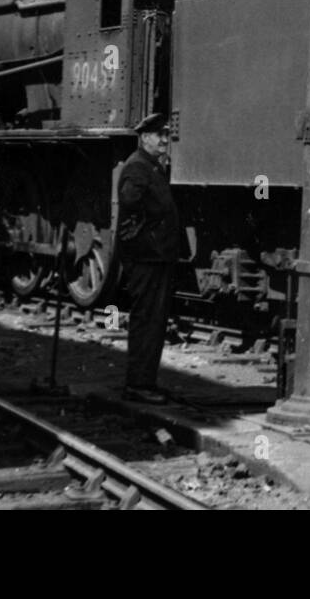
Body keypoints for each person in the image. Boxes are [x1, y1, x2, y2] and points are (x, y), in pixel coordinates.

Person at [116, 113, 186, 404]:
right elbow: (130, 212)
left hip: (155, 257)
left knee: (154, 322)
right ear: (144, 137)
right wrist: (146, 245)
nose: (164, 141)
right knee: (147, 320)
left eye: (166, 136)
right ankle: (138, 385)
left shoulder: (150, 167)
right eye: (159, 136)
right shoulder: (138, 169)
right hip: (146, 258)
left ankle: (146, 382)